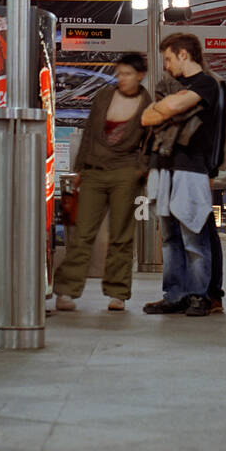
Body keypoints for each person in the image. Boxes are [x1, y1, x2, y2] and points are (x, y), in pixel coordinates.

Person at [52, 53, 151, 312]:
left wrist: (140, 169)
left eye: (127, 74)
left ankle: (118, 293)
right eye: (119, 73)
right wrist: (79, 170)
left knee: (121, 234)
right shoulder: (104, 96)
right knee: (82, 232)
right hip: (94, 172)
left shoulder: (147, 103)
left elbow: (150, 141)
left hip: (125, 173)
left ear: (140, 76)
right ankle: (66, 291)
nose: (122, 79)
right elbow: (89, 133)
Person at [140, 32, 220, 318]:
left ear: (184, 54)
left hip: (191, 169)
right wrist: (162, 109)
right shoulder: (173, 87)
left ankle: (199, 296)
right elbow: (147, 117)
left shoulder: (206, 84)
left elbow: (167, 108)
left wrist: (163, 108)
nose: (166, 65)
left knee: (193, 237)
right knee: (170, 239)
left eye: (169, 58)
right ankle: (174, 295)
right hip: (164, 168)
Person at [157, 70, 225, 313]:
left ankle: (208, 294)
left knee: (200, 236)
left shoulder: (212, 85)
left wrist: (212, 171)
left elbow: (220, 134)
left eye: (171, 59)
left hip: (197, 170)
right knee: (179, 236)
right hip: (176, 170)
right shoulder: (177, 88)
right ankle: (183, 294)